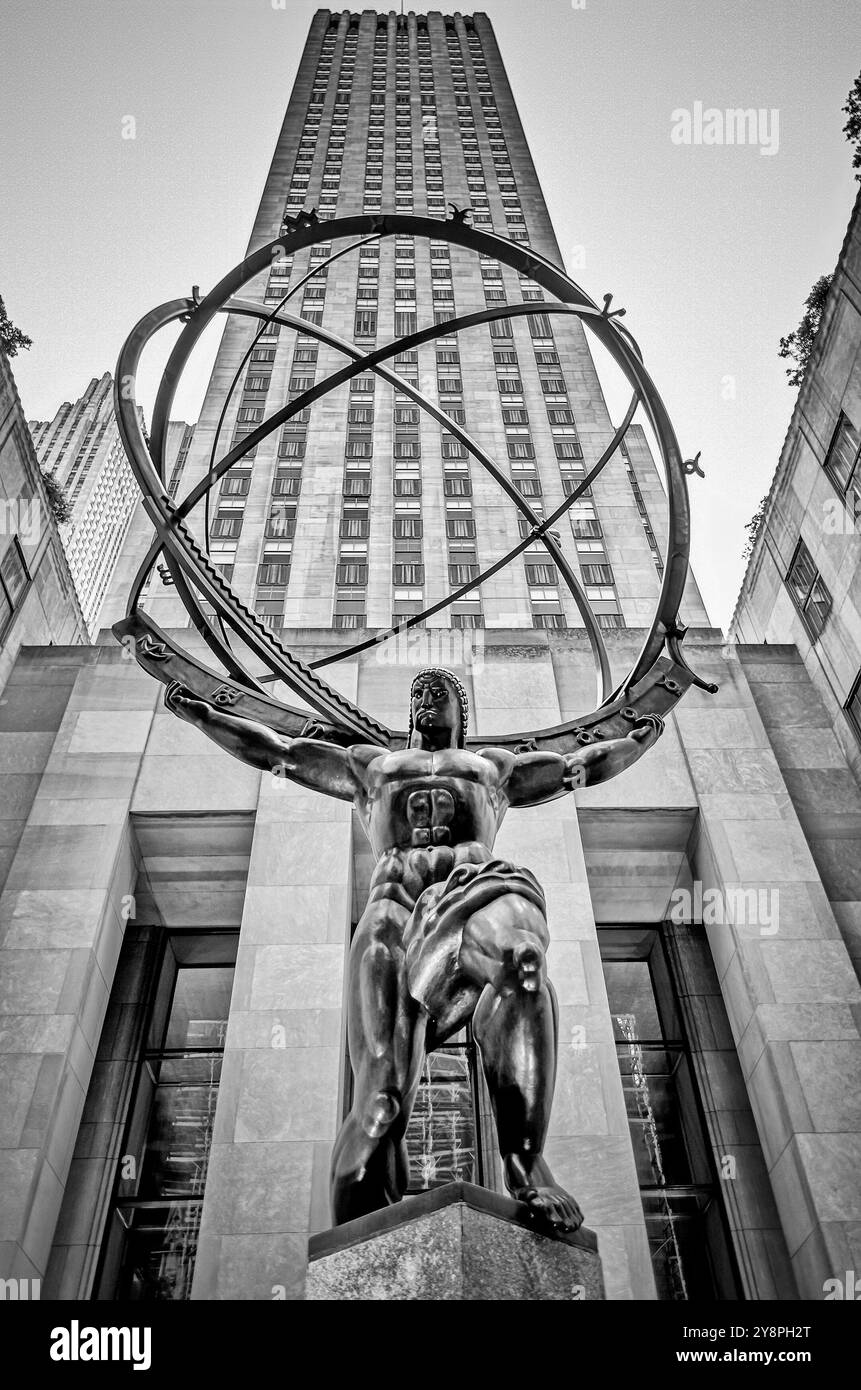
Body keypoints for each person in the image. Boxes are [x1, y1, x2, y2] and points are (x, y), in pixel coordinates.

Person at [165, 667, 663, 1232]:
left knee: (522, 958)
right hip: (393, 915)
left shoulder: (491, 768)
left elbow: (578, 767)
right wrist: (203, 716)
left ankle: (525, 1163)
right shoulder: (371, 767)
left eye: (440, 693)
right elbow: (278, 752)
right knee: (380, 1102)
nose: (427, 700)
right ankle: (359, 1248)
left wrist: (637, 741)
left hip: (472, 897)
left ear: (462, 711)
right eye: (418, 694)